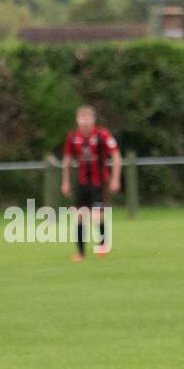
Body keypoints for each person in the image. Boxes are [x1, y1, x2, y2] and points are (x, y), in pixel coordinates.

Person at [61, 104, 120, 261]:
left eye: (87, 118)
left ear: (93, 120)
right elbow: (67, 161)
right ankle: (80, 253)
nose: (84, 122)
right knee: (79, 216)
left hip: (99, 182)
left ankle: (102, 242)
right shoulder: (73, 138)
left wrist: (115, 179)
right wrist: (65, 182)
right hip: (82, 182)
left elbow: (116, 156)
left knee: (96, 215)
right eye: (81, 118)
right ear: (77, 120)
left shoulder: (103, 135)